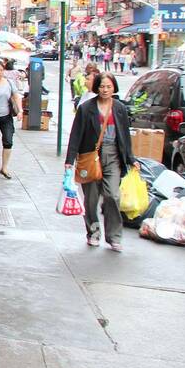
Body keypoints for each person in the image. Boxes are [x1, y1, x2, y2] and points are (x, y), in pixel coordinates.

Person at [66, 73, 136, 250]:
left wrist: (130, 159)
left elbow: (125, 136)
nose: (105, 90)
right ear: (97, 87)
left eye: (108, 87)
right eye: (102, 86)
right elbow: (76, 134)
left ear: (114, 88)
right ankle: (93, 232)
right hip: (90, 156)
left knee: (113, 195)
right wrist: (70, 159)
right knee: (91, 198)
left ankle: (114, 236)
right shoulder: (86, 108)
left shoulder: (119, 108)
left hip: (113, 156)